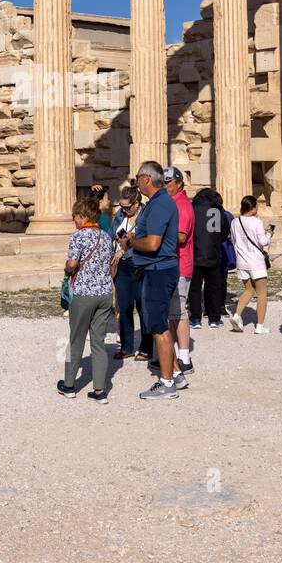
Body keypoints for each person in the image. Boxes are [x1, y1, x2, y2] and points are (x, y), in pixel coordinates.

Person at [121, 161, 183, 401]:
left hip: (158, 270)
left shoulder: (159, 204)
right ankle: (176, 374)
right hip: (158, 269)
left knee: (158, 327)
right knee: (159, 323)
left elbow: (153, 243)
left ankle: (167, 384)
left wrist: (130, 243)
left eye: (137, 177)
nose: (135, 182)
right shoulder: (159, 203)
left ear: (147, 179)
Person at [58, 196, 114, 402]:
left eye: (75, 216)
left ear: (82, 216)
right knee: (99, 342)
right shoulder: (106, 237)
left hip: (83, 293)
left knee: (76, 340)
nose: (74, 219)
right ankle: (100, 391)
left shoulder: (78, 237)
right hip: (104, 293)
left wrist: (67, 268)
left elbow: (72, 264)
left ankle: (70, 385)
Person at [110, 183, 149, 360]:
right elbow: (111, 234)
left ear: (136, 203)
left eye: (127, 207)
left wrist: (125, 249)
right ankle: (126, 347)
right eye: (122, 207)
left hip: (140, 264)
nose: (124, 210)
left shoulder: (147, 216)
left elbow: (149, 241)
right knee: (124, 306)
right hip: (122, 266)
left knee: (143, 306)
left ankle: (146, 347)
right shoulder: (119, 216)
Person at [163, 166, 196, 373]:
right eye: (164, 182)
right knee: (173, 313)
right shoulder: (172, 203)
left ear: (179, 183)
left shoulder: (182, 205)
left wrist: (157, 234)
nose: (166, 186)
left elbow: (182, 236)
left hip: (180, 265)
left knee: (180, 311)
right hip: (173, 264)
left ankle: (184, 357)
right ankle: (173, 354)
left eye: (169, 182)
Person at [228, 195, 272, 334]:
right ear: (252, 208)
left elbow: (233, 240)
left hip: (241, 262)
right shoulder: (256, 222)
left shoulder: (235, 222)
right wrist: (270, 233)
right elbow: (263, 242)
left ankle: (236, 315)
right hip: (256, 262)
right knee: (261, 294)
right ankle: (260, 326)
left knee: (248, 290)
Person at [188, 188, 230, 329]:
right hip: (214, 254)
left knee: (194, 289)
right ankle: (214, 318)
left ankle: (195, 319)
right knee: (214, 288)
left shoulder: (192, 209)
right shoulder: (219, 211)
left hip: (195, 255)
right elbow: (225, 232)